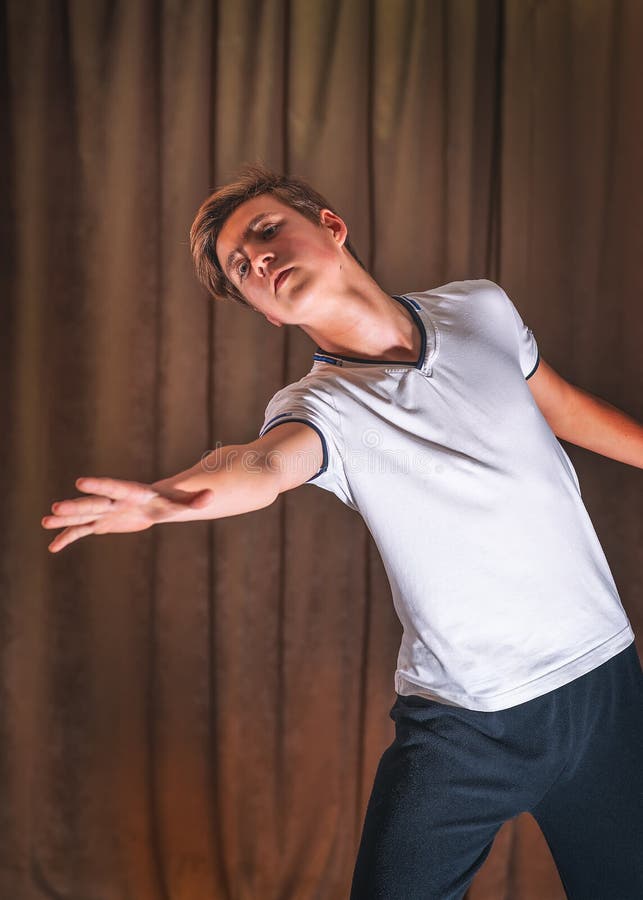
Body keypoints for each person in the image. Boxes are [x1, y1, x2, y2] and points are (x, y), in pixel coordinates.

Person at [41, 165, 643, 898]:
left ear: (330, 226)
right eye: (242, 268)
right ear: (265, 312)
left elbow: (560, 406)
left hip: (604, 680)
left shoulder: (479, 309)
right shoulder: (321, 407)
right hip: (469, 725)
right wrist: (170, 498)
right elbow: (261, 464)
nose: (259, 259)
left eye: (266, 231)